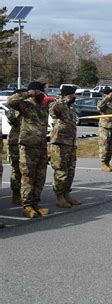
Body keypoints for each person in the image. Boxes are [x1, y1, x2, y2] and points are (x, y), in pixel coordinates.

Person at [7, 82, 50, 218]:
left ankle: (36, 203)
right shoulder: (25, 105)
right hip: (28, 146)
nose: (43, 94)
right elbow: (10, 101)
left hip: (41, 146)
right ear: (35, 92)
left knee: (40, 176)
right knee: (28, 176)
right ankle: (27, 205)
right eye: (41, 91)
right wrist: (28, 92)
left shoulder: (43, 107)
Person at [49, 86, 81, 208]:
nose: (75, 97)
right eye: (73, 94)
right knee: (61, 171)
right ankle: (59, 197)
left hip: (71, 144)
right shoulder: (58, 105)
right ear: (67, 95)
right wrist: (63, 100)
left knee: (70, 171)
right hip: (59, 144)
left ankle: (67, 194)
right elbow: (52, 111)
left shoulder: (69, 109)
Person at [5, 90, 23, 205]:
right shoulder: (13, 110)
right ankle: (16, 194)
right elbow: (11, 118)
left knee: (25, 169)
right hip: (15, 141)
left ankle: (24, 193)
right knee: (16, 168)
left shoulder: (27, 108)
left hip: (27, 141)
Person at [97, 87, 112, 172]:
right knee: (104, 146)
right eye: (111, 93)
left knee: (111, 146)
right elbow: (99, 107)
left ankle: (107, 162)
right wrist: (107, 98)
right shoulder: (102, 102)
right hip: (104, 127)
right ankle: (103, 163)